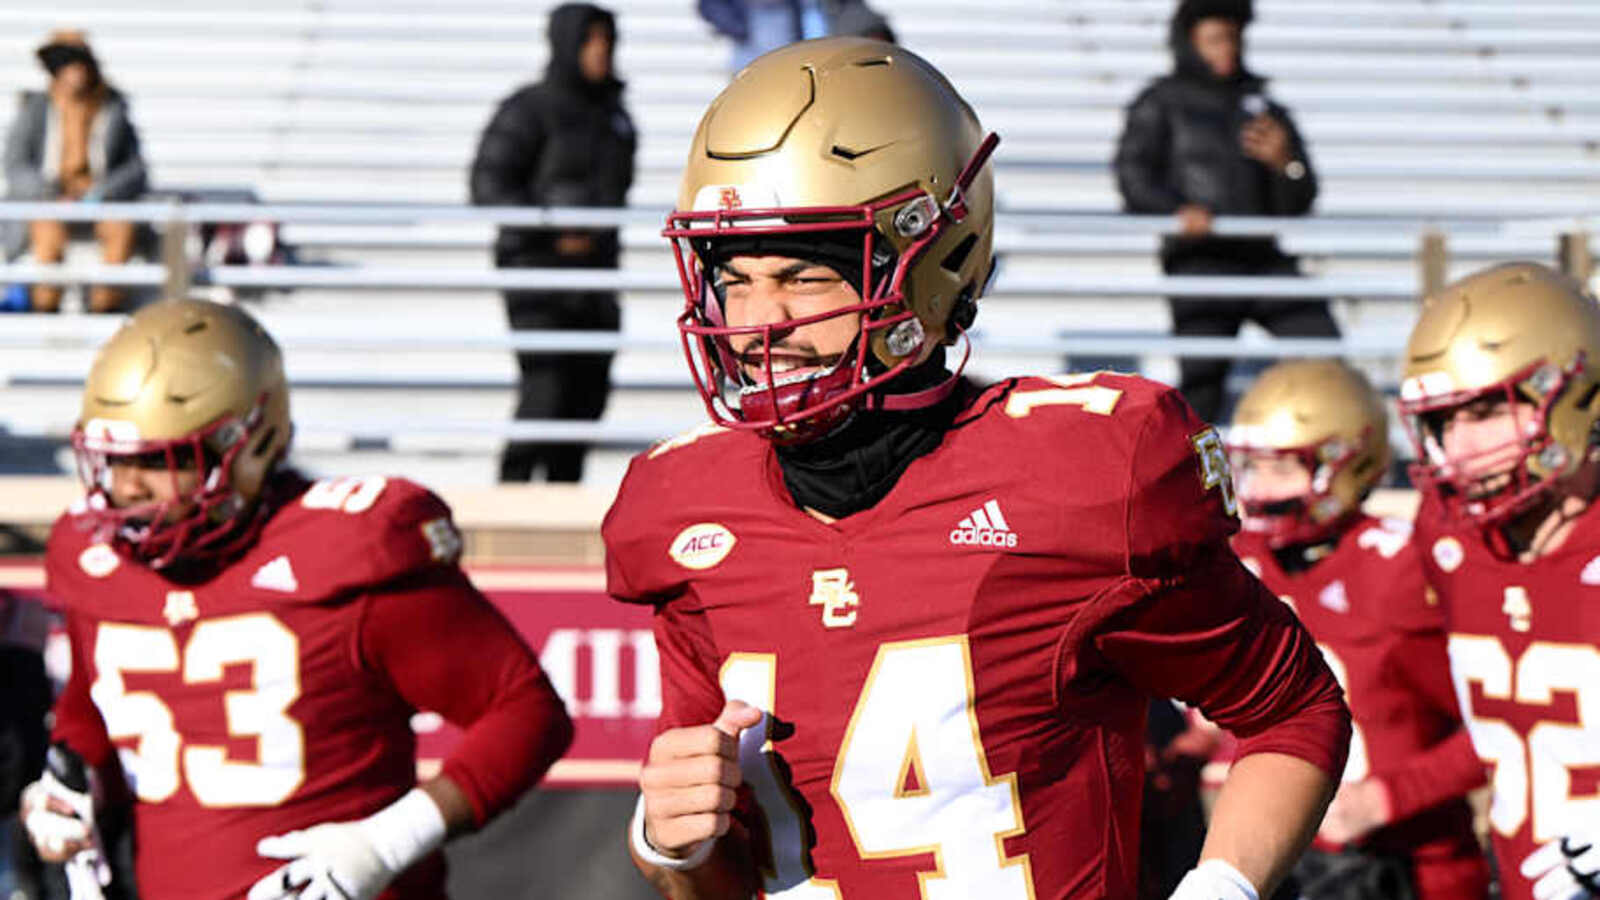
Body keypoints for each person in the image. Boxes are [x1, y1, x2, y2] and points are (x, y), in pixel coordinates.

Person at [604, 37, 1350, 900]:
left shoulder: (1078, 479)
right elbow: (716, 864)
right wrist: (668, 846)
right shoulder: (686, 511)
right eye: (734, 278)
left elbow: (1293, 712)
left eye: (805, 276)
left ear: (929, 259)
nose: (759, 323)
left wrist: (1218, 891)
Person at [16, 299, 574, 899]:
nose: (127, 489)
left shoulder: (346, 551)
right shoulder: (94, 561)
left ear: (249, 444)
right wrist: (69, 788)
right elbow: (91, 710)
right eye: (113, 463)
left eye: (158, 461)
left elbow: (527, 712)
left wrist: (388, 841)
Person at [1228, 359, 1491, 900]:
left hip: (1410, 868)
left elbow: (1500, 726)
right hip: (1286, 860)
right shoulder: (1244, 560)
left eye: (1282, 469)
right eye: (1252, 468)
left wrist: (1385, 797)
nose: (1258, 490)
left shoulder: (1399, 570)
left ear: (1344, 465)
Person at [1398, 262, 1600, 900]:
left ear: (1570, 395)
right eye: (1443, 423)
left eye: (1485, 411)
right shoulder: (1446, 532)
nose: (1456, 450)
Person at [1113, 0, 1329, 423]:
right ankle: (1194, 482)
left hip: (1262, 259)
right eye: (1214, 39)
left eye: (1232, 37)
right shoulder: (1161, 101)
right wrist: (1176, 211)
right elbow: (1131, 176)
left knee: (1323, 350)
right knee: (1203, 383)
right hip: (1200, 263)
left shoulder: (1261, 102)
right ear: (1189, 43)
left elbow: (1302, 196)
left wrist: (1286, 162)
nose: (1226, 48)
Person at [469, 3, 635, 484]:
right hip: (537, 273)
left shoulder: (614, 114)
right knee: (547, 388)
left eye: (607, 40)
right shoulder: (528, 109)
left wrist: (592, 238)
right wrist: (554, 233)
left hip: (597, 275)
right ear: (567, 43)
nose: (601, 51)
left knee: (589, 393)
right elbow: (487, 184)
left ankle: (563, 495)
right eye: (590, 40)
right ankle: (513, 492)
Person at [3, 31, 147, 313]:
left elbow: (136, 169)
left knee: (121, 232)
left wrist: (99, 194)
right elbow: (15, 165)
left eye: (79, 64)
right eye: (67, 65)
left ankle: (104, 308)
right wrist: (51, 192)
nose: (75, 72)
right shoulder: (35, 108)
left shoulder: (112, 108)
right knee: (47, 235)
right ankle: (44, 308)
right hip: (50, 200)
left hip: (100, 200)